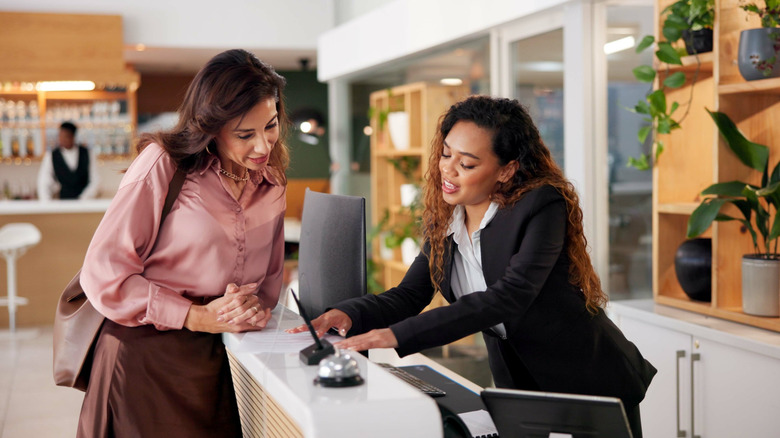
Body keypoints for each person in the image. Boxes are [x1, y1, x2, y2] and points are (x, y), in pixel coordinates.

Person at [289, 95, 656, 437]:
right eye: (446, 155)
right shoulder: (446, 223)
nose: (448, 170)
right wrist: (347, 314)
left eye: (466, 163)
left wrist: (397, 335)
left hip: (589, 377)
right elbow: (409, 294)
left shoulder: (541, 206)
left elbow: (508, 297)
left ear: (507, 170)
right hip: (519, 386)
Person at [77, 49, 289, 438]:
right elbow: (104, 272)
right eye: (245, 134)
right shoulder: (164, 163)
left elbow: (269, 281)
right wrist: (196, 316)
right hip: (144, 358)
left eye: (271, 126)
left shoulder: (271, 183)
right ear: (211, 125)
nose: (263, 146)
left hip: (217, 359)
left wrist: (252, 306)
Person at [37, 121, 100, 200]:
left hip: (85, 204)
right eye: (60, 136)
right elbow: (44, 182)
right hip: (62, 204)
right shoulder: (51, 156)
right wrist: (46, 203)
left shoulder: (88, 153)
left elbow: (95, 180)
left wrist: (84, 198)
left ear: (73, 137)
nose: (61, 139)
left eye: (65, 136)